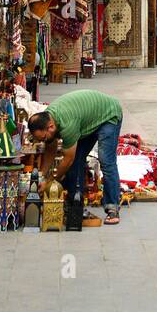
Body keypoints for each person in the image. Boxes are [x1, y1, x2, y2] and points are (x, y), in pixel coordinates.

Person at [28, 89, 124, 225]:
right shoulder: (48, 117)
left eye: (43, 137)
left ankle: (112, 207)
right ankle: (76, 203)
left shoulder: (67, 125)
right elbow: (50, 148)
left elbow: (68, 160)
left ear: (51, 127)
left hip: (109, 114)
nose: (43, 140)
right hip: (88, 120)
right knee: (78, 159)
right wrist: (42, 175)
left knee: (106, 161)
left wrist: (50, 181)